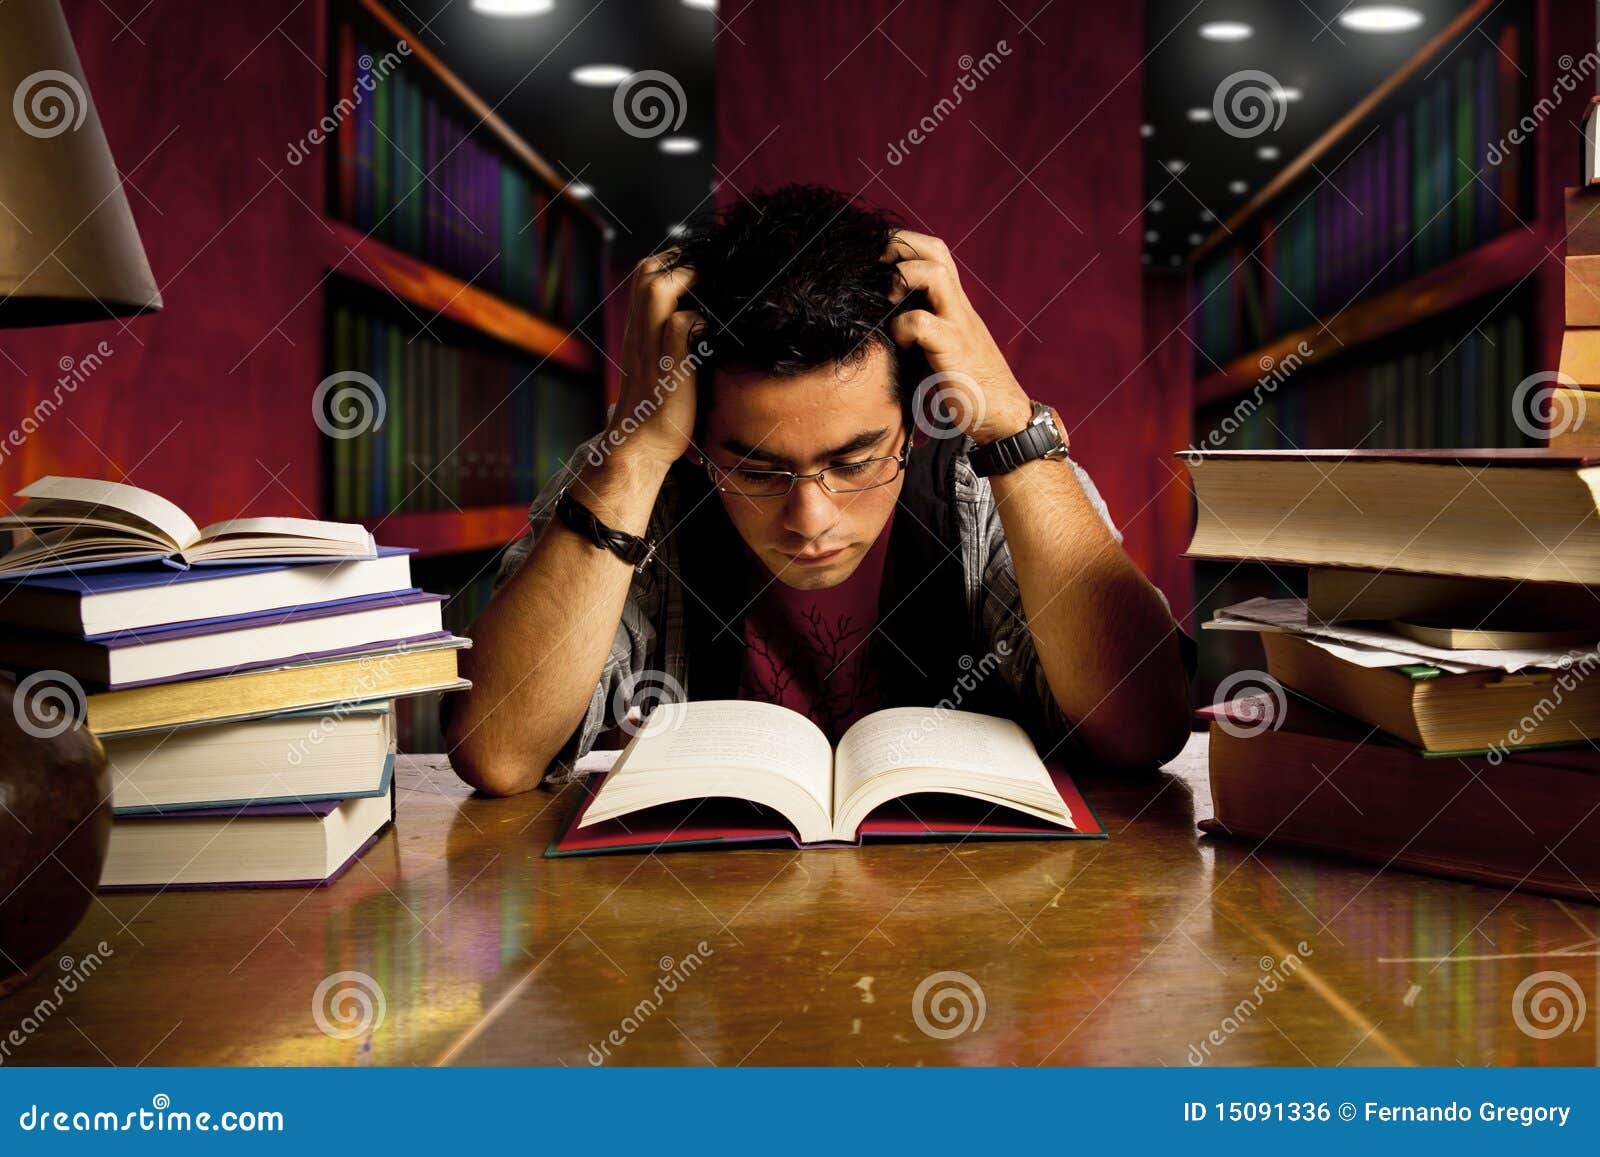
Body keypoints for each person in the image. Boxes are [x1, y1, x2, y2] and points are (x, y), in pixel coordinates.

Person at [446, 184, 1195, 795]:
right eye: (759, 469)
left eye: (856, 459)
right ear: (699, 437)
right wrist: (636, 453)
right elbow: (499, 753)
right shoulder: (630, 477)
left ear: (913, 424)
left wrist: (1009, 427)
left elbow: (1144, 726)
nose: (810, 517)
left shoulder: (988, 477)